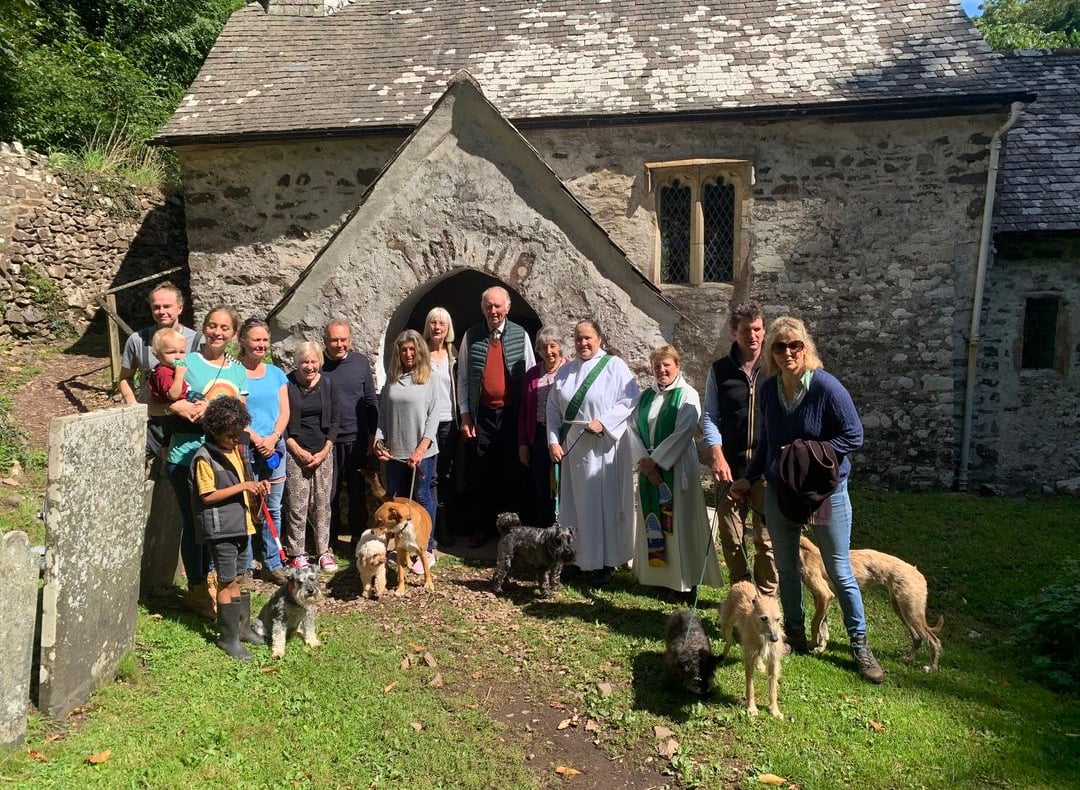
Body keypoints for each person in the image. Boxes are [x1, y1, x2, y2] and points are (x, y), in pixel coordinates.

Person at [731, 316, 885, 683]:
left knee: (838, 570)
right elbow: (766, 443)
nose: (787, 352)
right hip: (781, 488)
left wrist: (806, 452)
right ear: (771, 351)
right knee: (786, 567)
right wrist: (749, 477)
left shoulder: (827, 388)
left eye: (794, 345)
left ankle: (860, 644)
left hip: (824, 490)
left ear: (806, 348)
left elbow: (854, 436)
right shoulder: (768, 390)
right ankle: (794, 633)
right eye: (780, 346)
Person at [165, 306, 250, 619]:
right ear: (204, 328)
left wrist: (211, 408)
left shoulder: (237, 370)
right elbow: (162, 398)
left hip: (221, 460)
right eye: (212, 326)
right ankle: (198, 589)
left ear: (233, 334)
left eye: (225, 328)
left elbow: (238, 412)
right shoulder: (186, 362)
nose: (217, 332)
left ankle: (218, 580)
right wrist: (182, 407)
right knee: (193, 524)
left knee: (216, 525)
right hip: (185, 455)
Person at [546, 319, 639, 586]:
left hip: (604, 450)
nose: (583, 343)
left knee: (603, 506)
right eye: (578, 339)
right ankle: (579, 559)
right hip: (573, 449)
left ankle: (606, 562)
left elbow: (630, 399)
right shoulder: (565, 372)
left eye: (588, 338)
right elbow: (553, 410)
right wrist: (553, 441)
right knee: (576, 506)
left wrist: (605, 422)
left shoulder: (614, 366)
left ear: (599, 338)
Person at [630, 345, 723, 596]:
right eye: (657, 366)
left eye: (666, 365)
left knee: (679, 523)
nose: (661, 370)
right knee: (653, 520)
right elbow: (632, 429)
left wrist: (656, 461)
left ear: (677, 366)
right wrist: (643, 460)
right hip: (649, 466)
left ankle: (684, 581)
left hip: (677, 465)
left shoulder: (687, 394)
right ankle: (659, 579)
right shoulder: (646, 396)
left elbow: (684, 430)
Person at [702, 301, 777, 595]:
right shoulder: (720, 370)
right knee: (732, 539)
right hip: (729, 468)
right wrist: (717, 456)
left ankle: (768, 597)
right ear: (735, 331)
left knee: (765, 540)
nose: (753, 335)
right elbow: (710, 415)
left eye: (758, 329)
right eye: (746, 329)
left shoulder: (775, 368)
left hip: (767, 471)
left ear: (764, 330)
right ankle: (743, 595)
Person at [190, 396, 269, 661]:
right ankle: (229, 638)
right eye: (230, 436)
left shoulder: (232, 451)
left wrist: (257, 487)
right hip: (221, 528)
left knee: (236, 577)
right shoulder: (204, 457)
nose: (236, 440)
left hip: (240, 524)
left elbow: (241, 483)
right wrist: (243, 487)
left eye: (238, 435)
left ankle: (242, 628)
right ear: (214, 430)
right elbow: (207, 495)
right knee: (226, 581)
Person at [456, 286, 535, 547]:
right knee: (481, 472)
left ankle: (511, 533)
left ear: (507, 308)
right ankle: (482, 527)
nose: (493, 311)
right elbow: (464, 379)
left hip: (512, 414)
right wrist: (466, 416)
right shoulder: (471, 336)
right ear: (483, 309)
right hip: (483, 416)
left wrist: (528, 420)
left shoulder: (520, 335)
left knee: (511, 473)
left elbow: (532, 376)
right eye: (488, 306)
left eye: (498, 306)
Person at [374, 329, 439, 571]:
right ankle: (400, 547)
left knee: (421, 499)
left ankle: (427, 547)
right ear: (398, 353)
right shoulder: (391, 380)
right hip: (395, 453)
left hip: (422, 453)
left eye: (412, 349)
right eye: (404, 350)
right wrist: (379, 441)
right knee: (395, 500)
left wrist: (421, 448)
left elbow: (433, 418)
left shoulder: (429, 378)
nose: (408, 354)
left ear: (419, 351)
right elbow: (382, 416)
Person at [117, 281, 203, 462]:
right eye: (156, 307)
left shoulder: (197, 341)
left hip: (186, 423)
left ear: (180, 308)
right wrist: (134, 407)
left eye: (167, 306)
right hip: (152, 422)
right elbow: (125, 378)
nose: (162, 311)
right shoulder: (137, 340)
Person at [238, 318, 290, 585]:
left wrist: (273, 437)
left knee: (274, 506)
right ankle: (245, 564)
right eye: (255, 339)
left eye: (264, 340)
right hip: (246, 445)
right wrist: (256, 437)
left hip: (274, 446)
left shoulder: (276, 374)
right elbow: (238, 411)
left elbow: (284, 412)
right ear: (243, 341)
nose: (260, 345)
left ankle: (272, 562)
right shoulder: (235, 372)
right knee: (247, 504)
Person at [322, 320, 378, 552]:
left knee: (357, 492)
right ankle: (329, 539)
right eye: (334, 340)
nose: (339, 344)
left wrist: (373, 434)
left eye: (343, 340)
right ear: (326, 341)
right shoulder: (318, 363)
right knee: (329, 493)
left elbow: (370, 400)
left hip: (356, 439)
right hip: (327, 441)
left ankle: (358, 536)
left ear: (350, 340)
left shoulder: (360, 362)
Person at [284, 341, 340, 573]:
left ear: (320, 362)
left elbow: (336, 421)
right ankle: (296, 553)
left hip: (323, 452)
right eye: (304, 362)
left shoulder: (328, 384)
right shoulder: (287, 384)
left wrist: (325, 450)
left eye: (313, 361)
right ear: (297, 363)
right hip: (295, 450)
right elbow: (283, 422)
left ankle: (323, 551)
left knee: (322, 504)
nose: (309, 366)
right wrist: (296, 449)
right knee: (297, 505)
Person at [518, 326, 567, 528]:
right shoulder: (531, 375)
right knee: (541, 486)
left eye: (553, 346)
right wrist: (522, 444)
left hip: (564, 437)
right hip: (538, 435)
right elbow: (523, 411)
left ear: (560, 347)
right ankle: (543, 533)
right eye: (544, 347)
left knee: (563, 486)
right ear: (538, 350)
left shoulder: (570, 371)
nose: (549, 352)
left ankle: (564, 531)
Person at [423, 307, 458, 547]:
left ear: (448, 328)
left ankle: (444, 527)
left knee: (445, 475)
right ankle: (429, 531)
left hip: (448, 421)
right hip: (427, 422)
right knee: (428, 477)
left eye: (442, 324)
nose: (437, 327)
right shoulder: (420, 352)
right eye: (433, 323)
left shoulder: (453, 353)